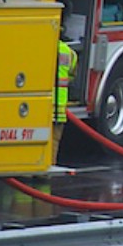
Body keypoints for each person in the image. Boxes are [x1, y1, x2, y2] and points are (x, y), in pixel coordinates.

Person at [53, 38, 77, 167]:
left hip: (43, 103)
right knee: (54, 140)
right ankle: (48, 168)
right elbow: (72, 75)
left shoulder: (43, 47)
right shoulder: (69, 52)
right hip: (60, 104)